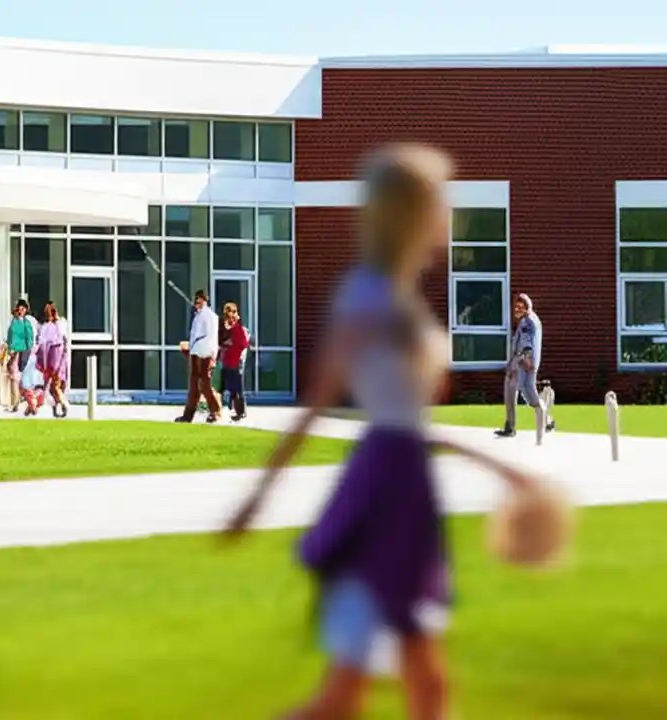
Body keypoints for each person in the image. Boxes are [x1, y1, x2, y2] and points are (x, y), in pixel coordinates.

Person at [223, 144, 543, 720]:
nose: (448, 212)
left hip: (403, 490)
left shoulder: (397, 296)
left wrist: (505, 470)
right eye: (439, 200)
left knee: (393, 694)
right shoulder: (368, 297)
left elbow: (409, 424)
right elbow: (317, 403)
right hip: (384, 497)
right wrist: (256, 498)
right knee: (370, 697)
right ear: (413, 210)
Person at [496, 293, 556, 444]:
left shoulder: (526, 322)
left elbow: (527, 341)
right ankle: (545, 419)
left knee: (517, 390)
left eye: (519, 306)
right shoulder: (533, 320)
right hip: (526, 361)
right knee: (526, 390)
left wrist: (522, 359)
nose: (516, 309)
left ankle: (512, 426)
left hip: (522, 361)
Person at [176, 290, 222, 424]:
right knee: (194, 387)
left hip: (205, 355)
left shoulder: (210, 316)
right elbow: (195, 335)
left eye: (199, 299)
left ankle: (215, 411)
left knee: (205, 385)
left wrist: (211, 355)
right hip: (196, 353)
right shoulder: (198, 316)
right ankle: (188, 416)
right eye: (196, 300)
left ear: (205, 300)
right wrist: (190, 347)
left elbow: (210, 338)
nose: (197, 302)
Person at [36, 302, 70, 418]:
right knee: (55, 386)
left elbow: (43, 344)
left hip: (53, 360)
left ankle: (63, 403)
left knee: (54, 386)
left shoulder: (50, 327)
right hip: (58, 360)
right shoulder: (59, 325)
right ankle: (57, 407)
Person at [1, 300, 35, 412]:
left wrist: (25, 350)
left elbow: (30, 339)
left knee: (18, 379)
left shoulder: (25, 323)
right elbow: (10, 338)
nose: (21, 311)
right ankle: (15, 402)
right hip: (15, 353)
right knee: (15, 379)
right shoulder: (15, 322)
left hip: (22, 353)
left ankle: (21, 402)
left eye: (23, 309)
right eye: (20, 309)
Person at [219, 302, 251, 422]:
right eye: (227, 316)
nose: (230, 319)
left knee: (237, 388)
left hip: (236, 362)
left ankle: (241, 412)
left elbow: (244, 344)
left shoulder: (238, 329)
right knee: (230, 388)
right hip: (227, 361)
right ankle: (233, 409)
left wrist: (231, 343)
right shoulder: (228, 329)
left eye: (232, 315)